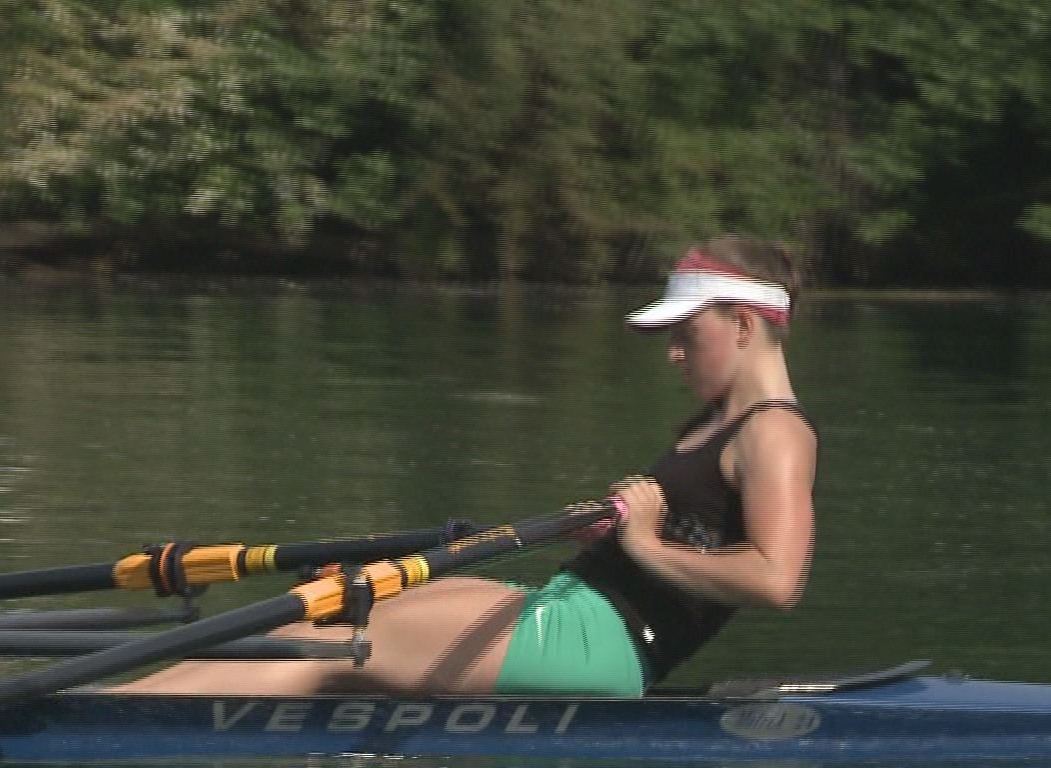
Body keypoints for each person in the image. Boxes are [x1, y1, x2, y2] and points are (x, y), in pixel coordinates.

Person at [117, 234, 816, 697]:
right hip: (574, 612)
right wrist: (616, 540)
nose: (674, 353)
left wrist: (644, 546)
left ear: (744, 327)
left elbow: (776, 579)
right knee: (354, 604)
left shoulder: (776, 433)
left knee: (337, 637)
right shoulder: (715, 421)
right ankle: (117, 704)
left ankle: (94, 711)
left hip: (600, 643)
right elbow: (694, 542)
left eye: (685, 334)